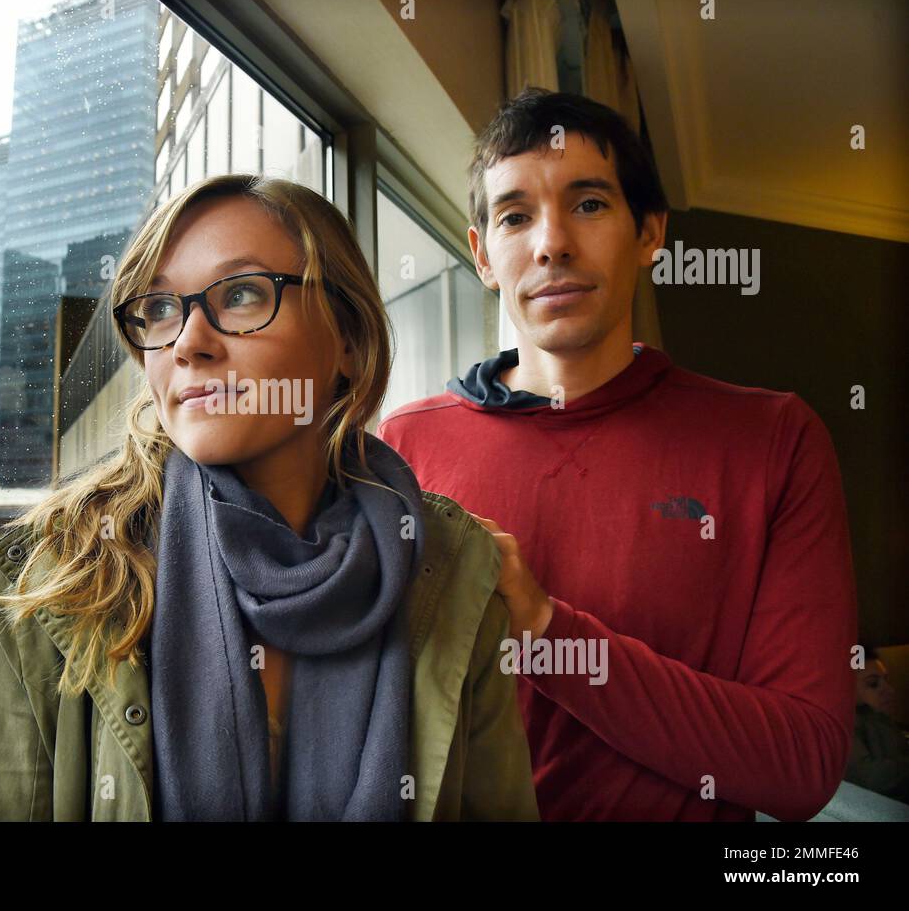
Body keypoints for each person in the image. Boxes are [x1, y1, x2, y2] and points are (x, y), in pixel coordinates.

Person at [0, 173, 539, 822]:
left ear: (350, 342)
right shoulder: (51, 575)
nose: (188, 342)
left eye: (243, 293)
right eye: (160, 309)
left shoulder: (451, 571)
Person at [378, 88, 858, 821]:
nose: (551, 243)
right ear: (481, 255)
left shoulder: (774, 440)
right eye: (514, 216)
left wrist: (545, 628)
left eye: (590, 204)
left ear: (650, 232)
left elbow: (802, 764)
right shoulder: (404, 444)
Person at [845, 649, 909, 803]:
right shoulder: (847, 725)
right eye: (873, 684)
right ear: (845, 689)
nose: (889, 690)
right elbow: (869, 777)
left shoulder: (884, 721)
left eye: (887, 681)